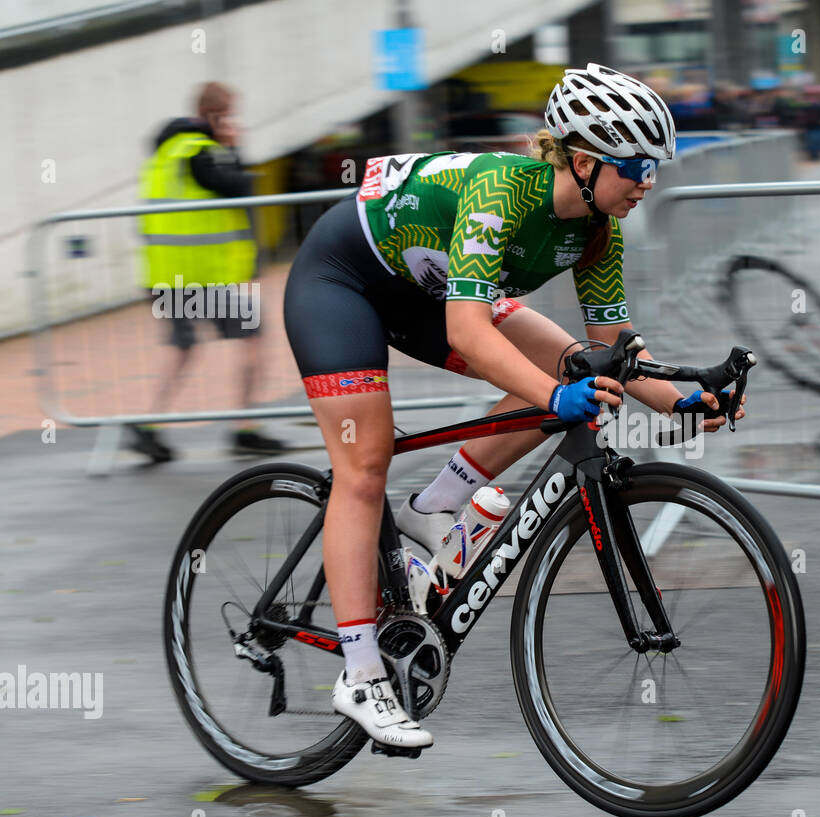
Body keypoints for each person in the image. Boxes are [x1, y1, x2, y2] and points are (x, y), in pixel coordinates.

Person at [281, 63, 745, 750]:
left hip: (427, 288)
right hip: (344, 280)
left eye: (654, 166)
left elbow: (612, 352)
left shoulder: (598, 230)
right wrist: (556, 393)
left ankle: (430, 508)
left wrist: (685, 398)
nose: (648, 180)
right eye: (636, 165)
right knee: (365, 463)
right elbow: (470, 330)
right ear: (584, 160)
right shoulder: (502, 190)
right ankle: (360, 676)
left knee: (573, 375)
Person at [133, 82, 287, 462]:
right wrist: (233, 146)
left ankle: (146, 426)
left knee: (182, 347)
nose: (235, 122)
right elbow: (239, 186)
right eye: (230, 115)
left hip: (168, 275)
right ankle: (245, 428)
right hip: (199, 277)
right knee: (253, 336)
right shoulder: (202, 153)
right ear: (216, 116)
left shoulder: (167, 151)